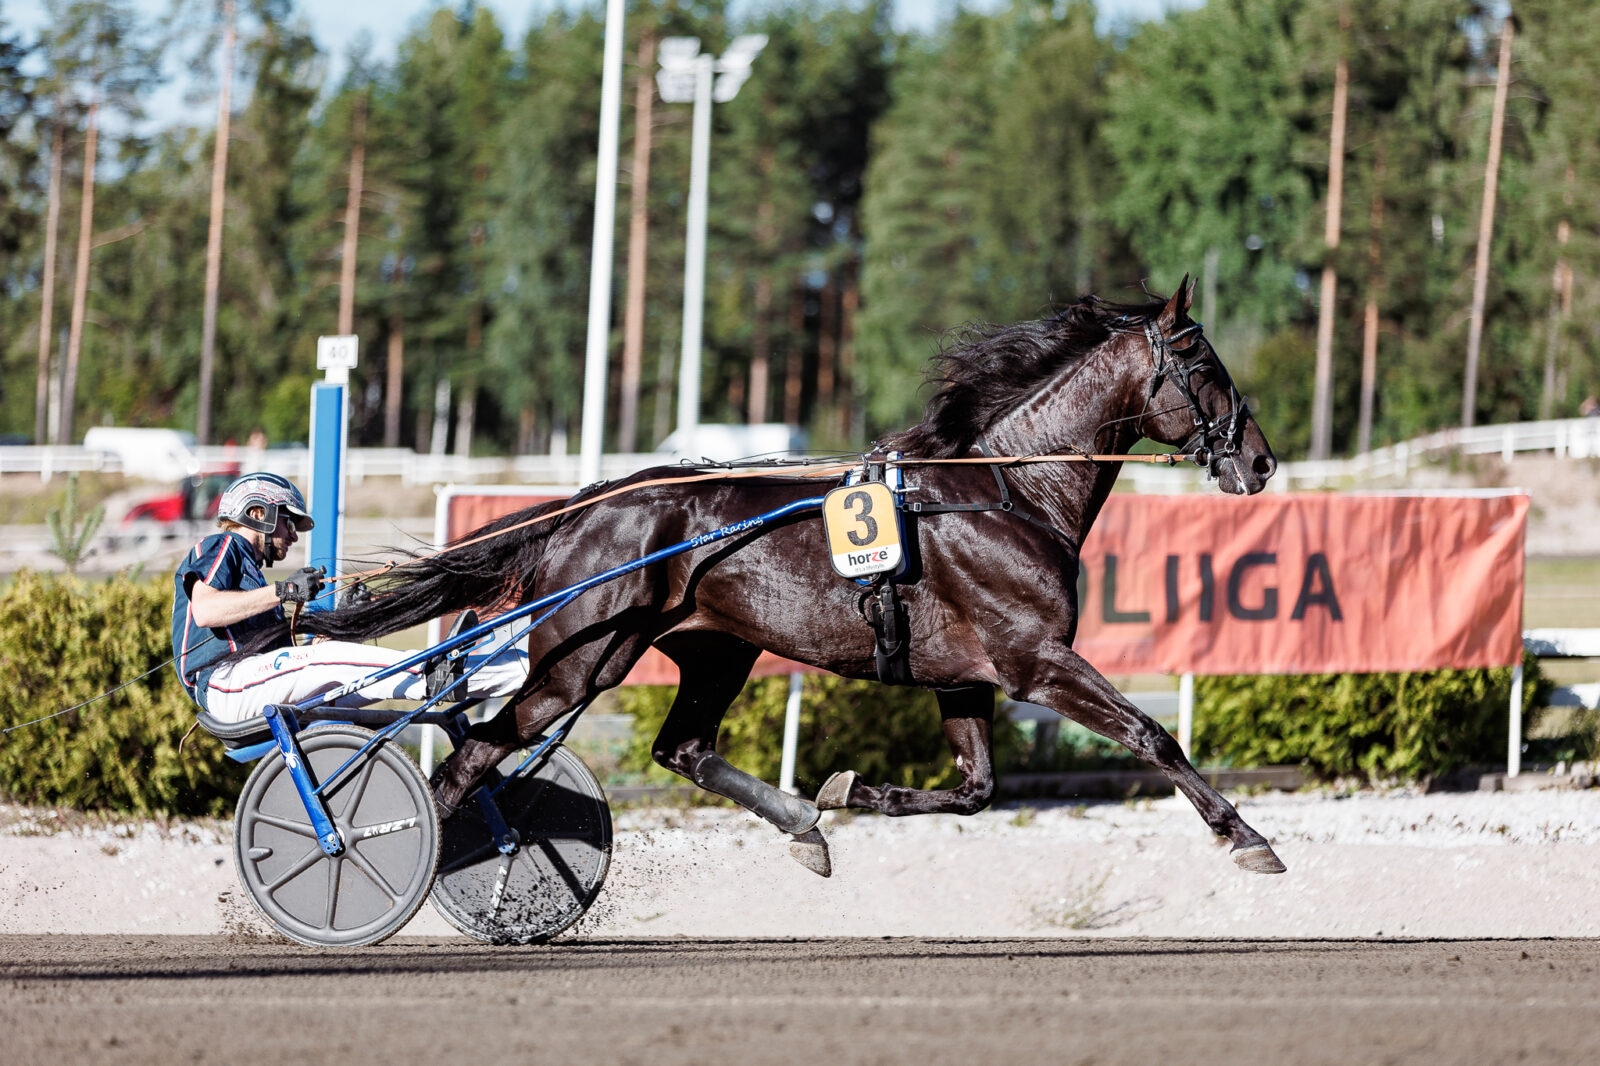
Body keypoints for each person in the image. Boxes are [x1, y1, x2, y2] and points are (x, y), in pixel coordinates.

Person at [171, 472, 527, 724]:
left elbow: (299, 659)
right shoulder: (224, 546)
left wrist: (345, 625)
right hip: (223, 684)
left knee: (378, 679)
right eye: (288, 522)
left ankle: (522, 671)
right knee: (337, 661)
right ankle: (434, 672)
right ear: (258, 514)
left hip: (252, 684)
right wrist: (283, 591)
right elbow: (205, 610)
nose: (293, 535)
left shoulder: (253, 578)